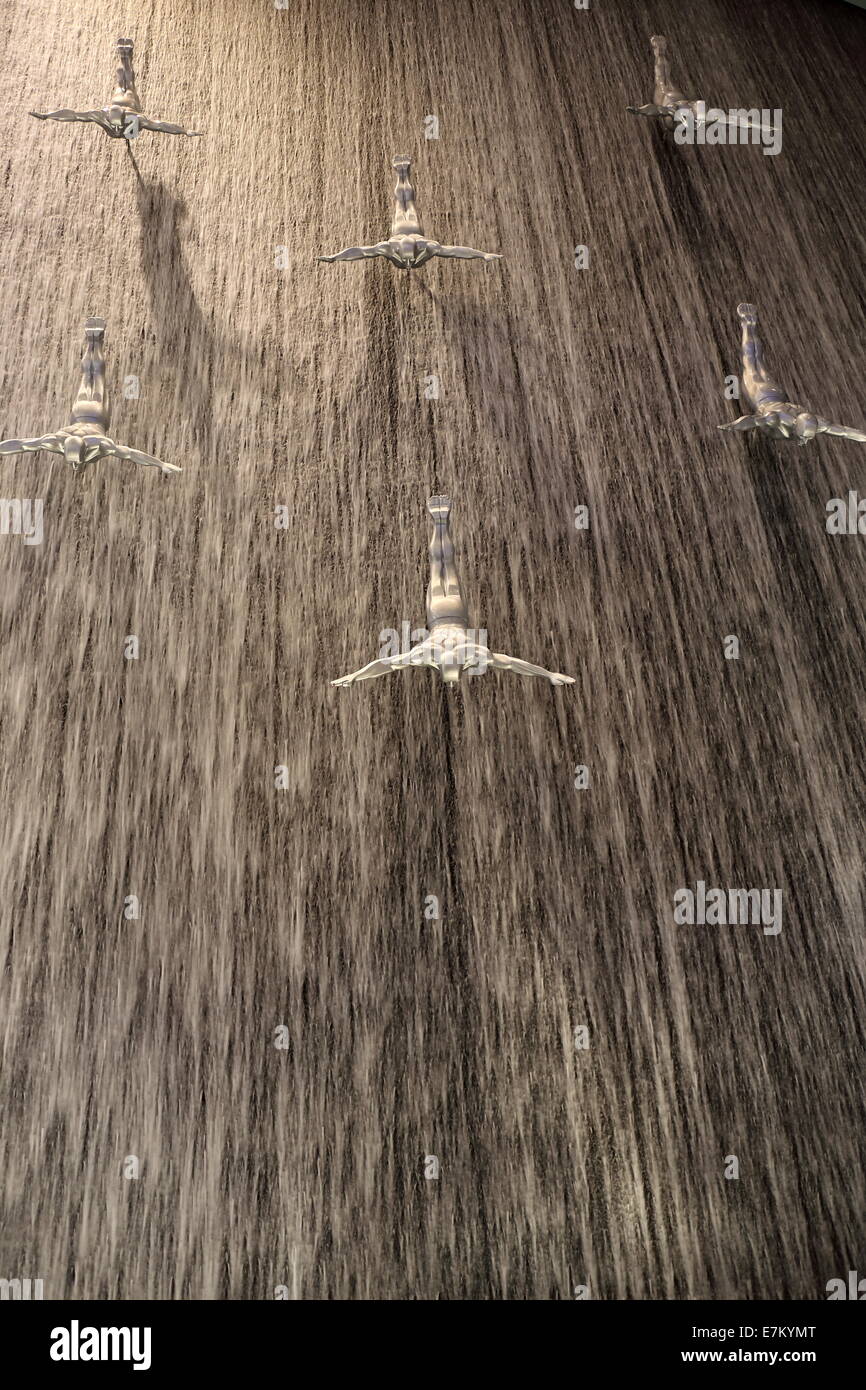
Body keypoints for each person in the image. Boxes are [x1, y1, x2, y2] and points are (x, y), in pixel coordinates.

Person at [332, 497, 575, 687]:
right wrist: (548, 674)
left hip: (456, 612)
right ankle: (439, 523)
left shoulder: (466, 652)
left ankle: (441, 523)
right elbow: (514, 664)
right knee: (438, 565)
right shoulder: (430, 654)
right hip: (437, 615)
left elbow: (382, 665)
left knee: (445, 564)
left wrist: (355, 676)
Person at [0, 318, 182, 474]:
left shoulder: (95, 443)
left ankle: (97, 341)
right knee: (88, 375)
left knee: (97, 375)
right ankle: (92, 341)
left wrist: (161, 464)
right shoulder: (57, 440)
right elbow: (21, 444)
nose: (75, 464)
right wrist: (160, 464)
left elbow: (130, 454)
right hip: (79, 411)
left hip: (98, 414)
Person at [719, 304, 866, 445]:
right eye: (803, 435)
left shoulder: (818, 423)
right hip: (759, 394)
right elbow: (752, 421)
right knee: (751, 361)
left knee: (758, 360)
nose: (805, 440)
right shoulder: (776, 419)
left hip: (776, 393)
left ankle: (750, 323)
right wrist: (731, 426)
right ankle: (747, 323)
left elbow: (845, 432)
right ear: (796, 424)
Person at [318, 157, 502, 269]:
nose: (408, 263)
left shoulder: (422, 246)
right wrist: (336, 257)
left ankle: (402, 173)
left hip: (403, 228)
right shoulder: (405, 246)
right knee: (406, 201)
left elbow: (456, 251)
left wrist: (482, 255)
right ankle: (402, 173)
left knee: (404, 201)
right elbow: (360, 251)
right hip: (408, 228)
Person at [31, 38, 202, 141]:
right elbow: (73, 114)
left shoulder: (119, 114)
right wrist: (48, 116)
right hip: (127, 117)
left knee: (123, 79)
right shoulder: (121, 116)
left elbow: (161, 126)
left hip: (127, 113)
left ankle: (125, 56)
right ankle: (126, 57)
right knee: (128, 81)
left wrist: (184, 131)